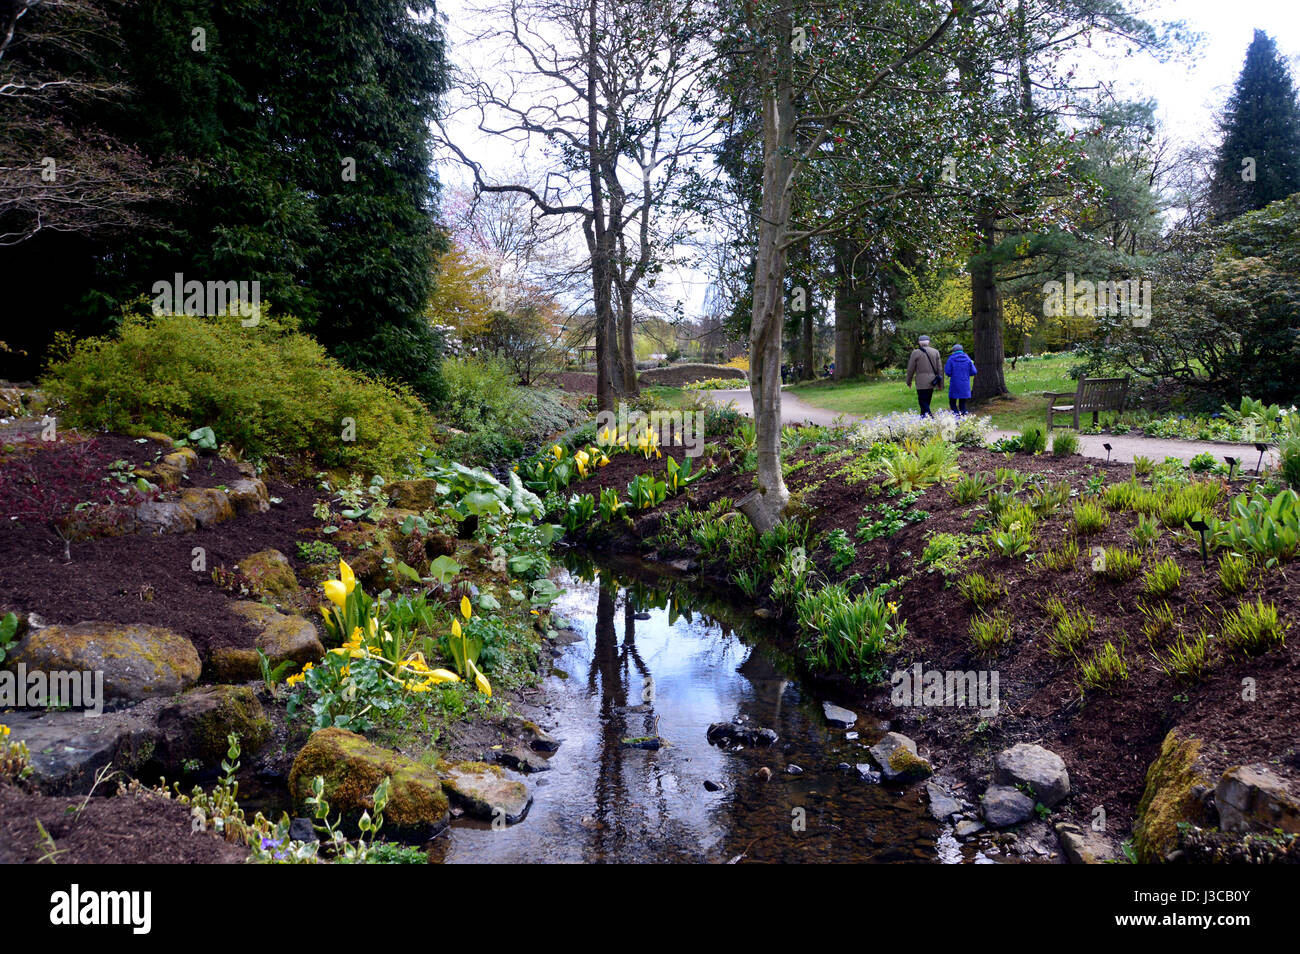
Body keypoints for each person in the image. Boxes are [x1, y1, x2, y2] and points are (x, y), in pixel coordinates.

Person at [905, 334, 943, 418]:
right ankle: (923, 420)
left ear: (919, 343)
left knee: (922, 401)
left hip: (921, 382)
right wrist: (940, 384)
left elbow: (910, 369)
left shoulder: (915, 353)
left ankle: (930, 418)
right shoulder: (935, 352)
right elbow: (940, 369)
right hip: (932, 381)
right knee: (927, 401)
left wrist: (908, 381)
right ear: (928, 342)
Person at [944, 343, 978, 415]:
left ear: (953, 351)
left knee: (952, 402)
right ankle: (963, 416)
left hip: (954, 383)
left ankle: (956, 416)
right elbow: (974, 371)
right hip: (965, 383)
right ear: (962, 350)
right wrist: (966, 374)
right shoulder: (967, 359)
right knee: (962, 403)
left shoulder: (951, 359)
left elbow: (947, 372)